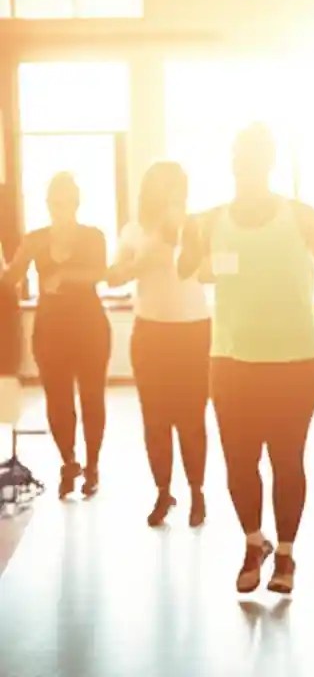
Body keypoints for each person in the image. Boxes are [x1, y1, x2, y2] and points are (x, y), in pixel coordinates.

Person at [177, 123, 314, 595]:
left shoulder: (302, 216)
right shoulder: (208, 220)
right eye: (242, 156)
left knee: (287, 459)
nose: (249, 164)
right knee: (240, 463)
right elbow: (187, 270)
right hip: (231, 359)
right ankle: (253, 541)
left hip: (294, 358)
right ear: (232, 162)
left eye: (257, 156)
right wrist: (186, 232)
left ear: (270, 163)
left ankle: (285, 554)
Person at [107, 162, 211, 527]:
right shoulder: (134, 231)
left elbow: (191, 269)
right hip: (150, 332)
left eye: (178, 188)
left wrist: (181, 233)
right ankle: (163, 492)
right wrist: (144, 257)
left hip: (193, 329)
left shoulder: (195, 226)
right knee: (155, 419)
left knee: (191, 418)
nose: (172, 195)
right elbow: (115, 276)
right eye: (166, 188)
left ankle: (198, 493)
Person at [2, 173, 109, 500]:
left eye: (62, 201)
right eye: (51, 201)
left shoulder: (93, 236)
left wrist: (66, 274)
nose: (56, 207)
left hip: (89, 326)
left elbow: (101, 272)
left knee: (92, 398)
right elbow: (12, 278)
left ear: (75, 203)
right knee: (58, 401)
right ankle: (69, 461)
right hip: (51, 329)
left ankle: (92, 465)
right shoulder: (36, 239)